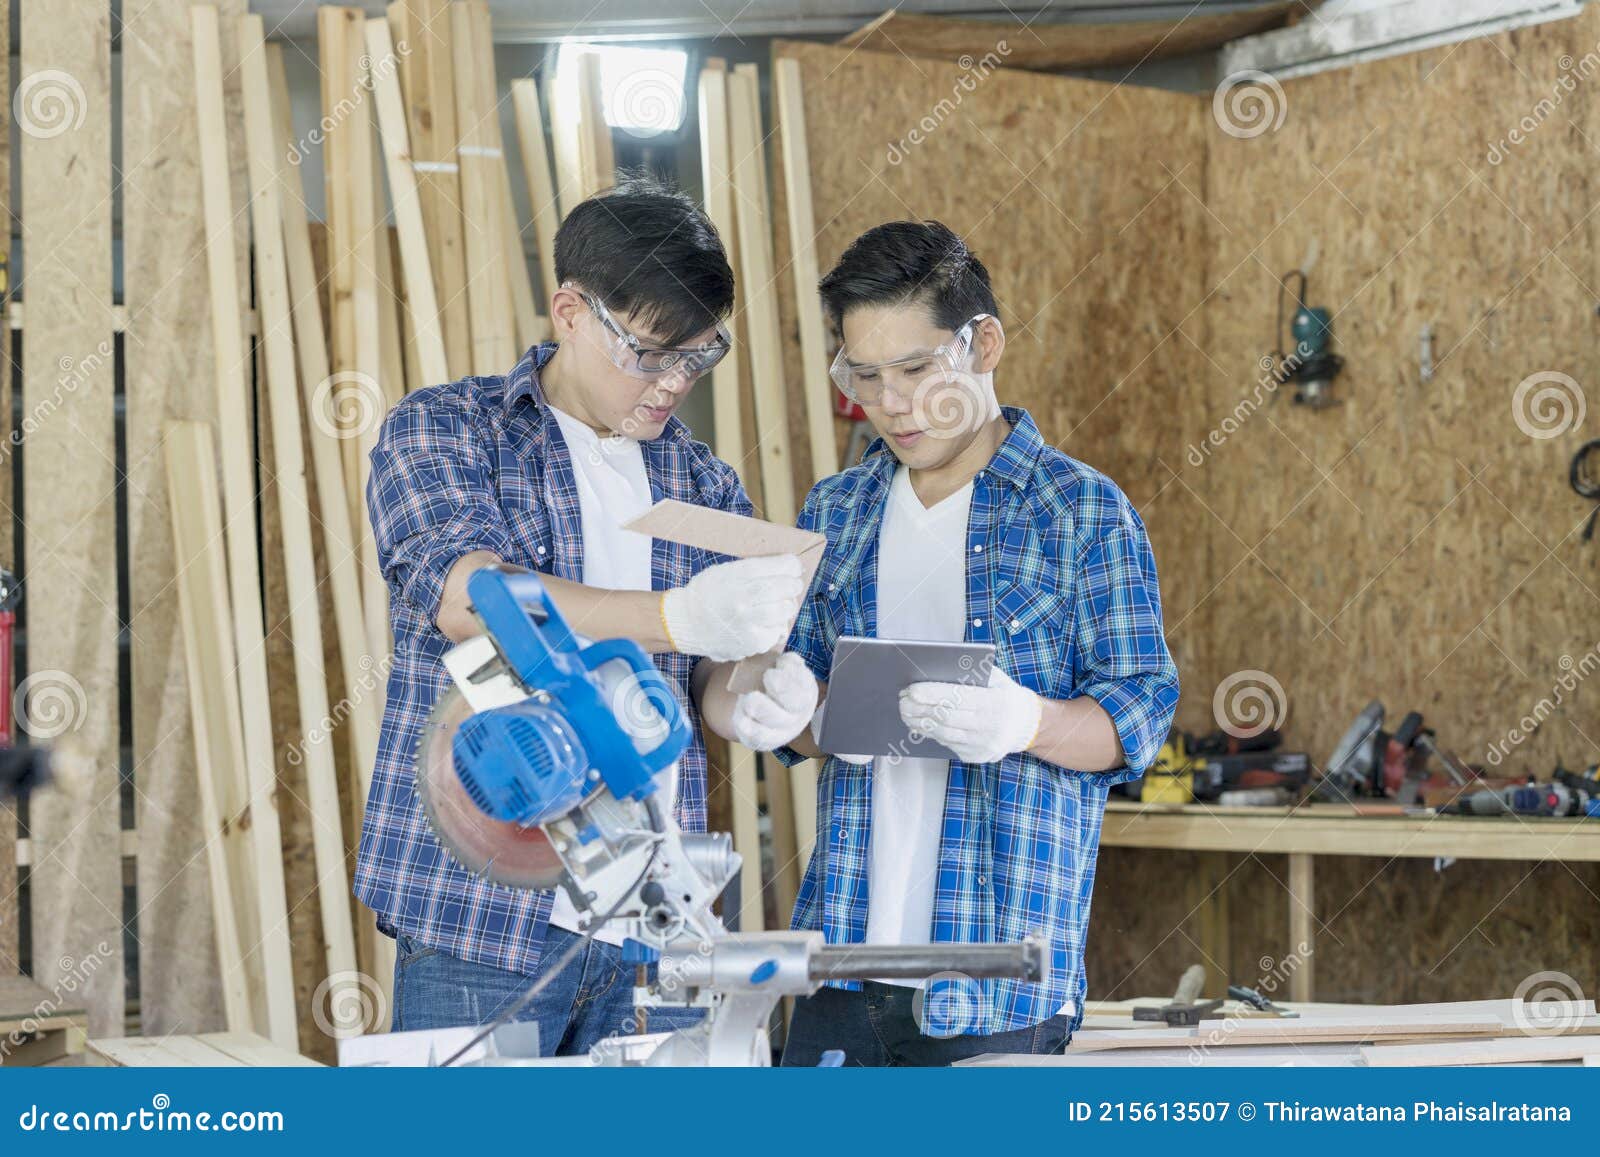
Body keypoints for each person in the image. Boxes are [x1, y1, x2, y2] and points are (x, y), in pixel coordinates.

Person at [698, 220, 1180, 1066]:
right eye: (865, 376)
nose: (888, 403)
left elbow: (1138, 713)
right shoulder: (836, 512)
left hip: (994, 983)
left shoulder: (1081, 511)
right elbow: (809, 711)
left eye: (916, 370)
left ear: (982, 342)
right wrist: (780, 710)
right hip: (842, 964)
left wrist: (1026, 721)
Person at [355, 175, 804, 1056]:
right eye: (649, 353)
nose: (674, 381)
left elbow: (703, 674)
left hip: (654, 922)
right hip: (483, 922)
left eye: (699, 355)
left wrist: (753, 691)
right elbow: (468, 597)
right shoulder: (449, 429)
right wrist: (677, 614)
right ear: (570, 310)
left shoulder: (702, 483)